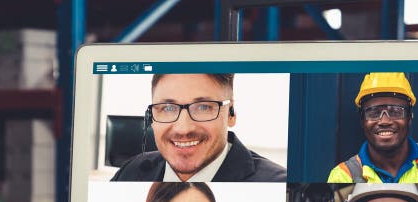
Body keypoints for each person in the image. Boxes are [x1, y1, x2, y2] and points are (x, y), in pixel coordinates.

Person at [111, 73, 286, 182]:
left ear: (231, 113)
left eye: (203, 107)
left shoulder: (277, 184)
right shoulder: (131, 171)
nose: (183, 129)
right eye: (168, 108)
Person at [327, 72, 418, 184]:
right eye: (374, 112)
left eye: (396, 111)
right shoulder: (342, 175)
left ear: (410, 117)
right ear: (362, 120)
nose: (384, 121)